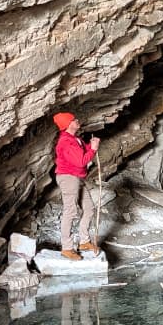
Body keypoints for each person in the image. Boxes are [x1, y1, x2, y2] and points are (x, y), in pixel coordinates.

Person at [52, 111, 101, 259]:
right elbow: (80, 161)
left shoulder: (75, 139)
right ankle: (67, 248)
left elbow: (82, 151)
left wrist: (90, 146)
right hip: (68, 178)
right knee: (70, 211)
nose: (77, 121)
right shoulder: (65, 142)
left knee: (89, 209)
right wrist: (93, 149)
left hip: (77, 178)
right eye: (74, 120)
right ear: (68, 124)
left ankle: (84, 241)